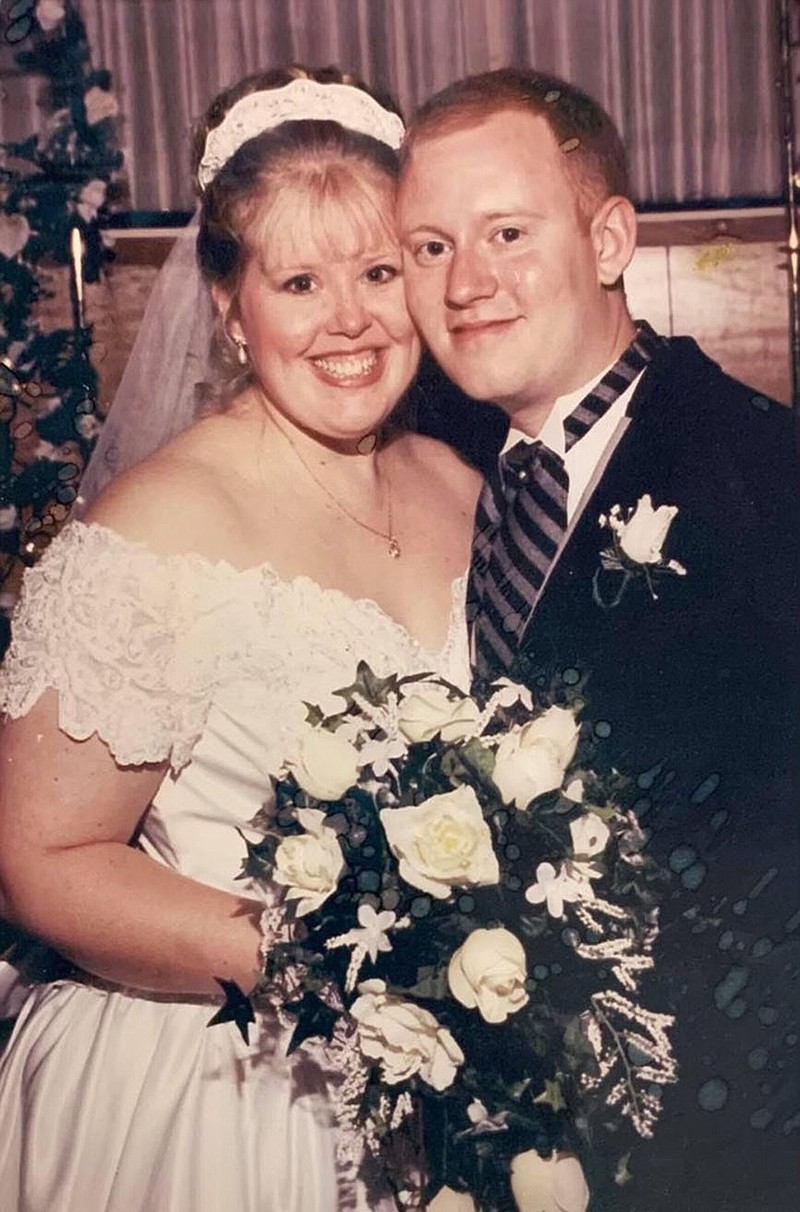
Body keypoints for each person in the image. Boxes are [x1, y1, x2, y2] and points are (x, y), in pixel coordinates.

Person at [0, 65, 482, 1212]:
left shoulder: (462, 485)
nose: (349, 320)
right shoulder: (149, 533)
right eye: (299, 280)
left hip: (440, 1078)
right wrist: (328, 956)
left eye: (378, 272)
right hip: (213, 1090)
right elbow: (39, 863)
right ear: (228, 303)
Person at [398, 68, 799, 1212]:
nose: (465, 284)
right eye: (428, 247)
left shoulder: (761, 475)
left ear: (609, 239)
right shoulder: (435, 482)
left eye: (506, 234)